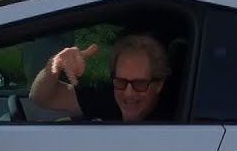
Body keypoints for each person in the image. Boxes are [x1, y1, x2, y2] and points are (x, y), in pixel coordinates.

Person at [29, 31, 173, 122]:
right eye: (121, 81)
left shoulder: (179, 119)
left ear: (159, 85)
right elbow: (41, 98)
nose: (128, 93)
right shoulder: (108, 96)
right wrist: (55, 64)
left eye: (140, 84)